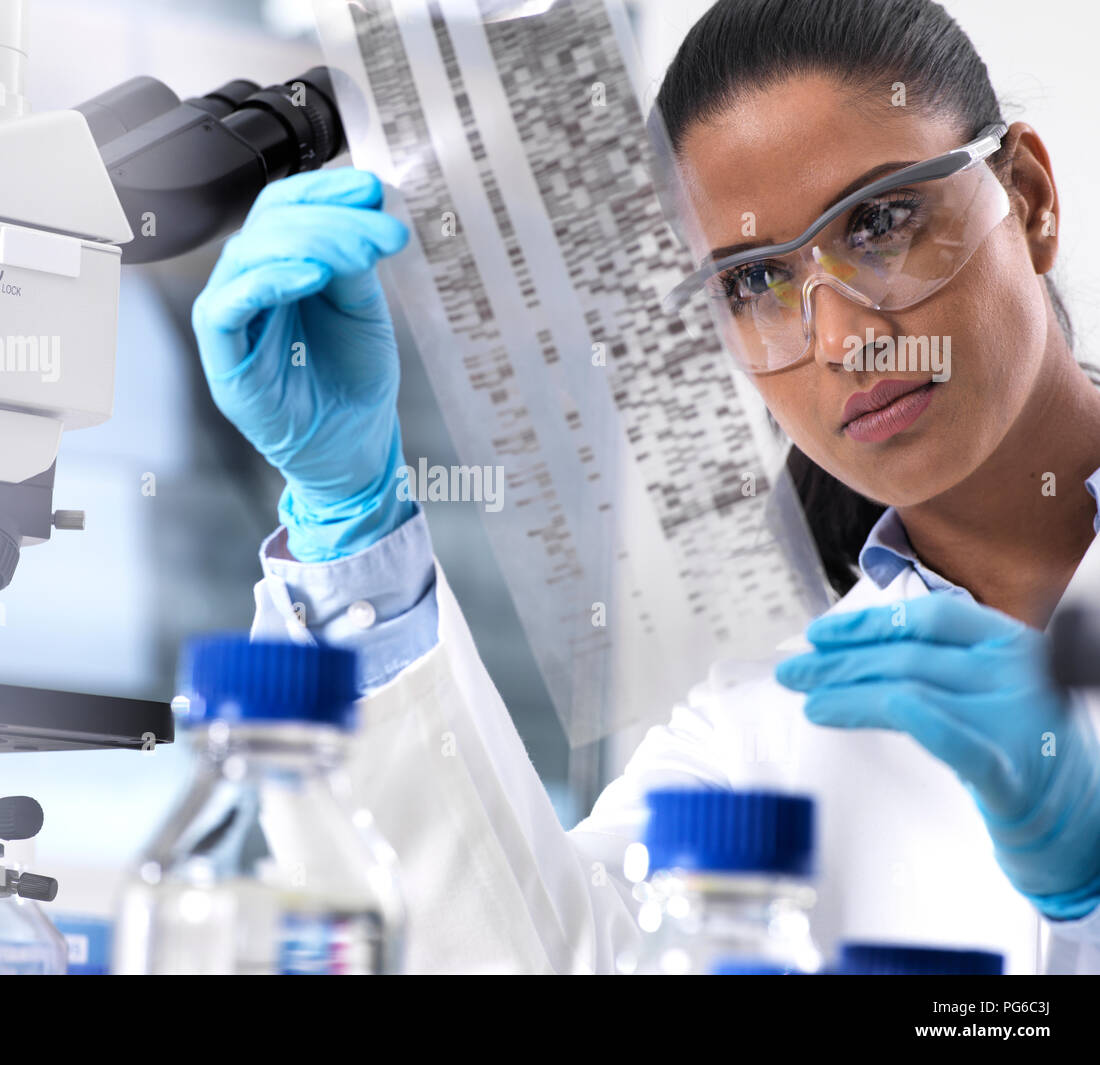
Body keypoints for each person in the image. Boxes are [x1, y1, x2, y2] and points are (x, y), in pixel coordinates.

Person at [189, 0, 1100, 973]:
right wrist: (350, 526)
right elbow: (521, 958)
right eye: (753, 284)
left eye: (881, 221)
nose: (843, 341)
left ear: (1030, 199)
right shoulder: (768, 724)